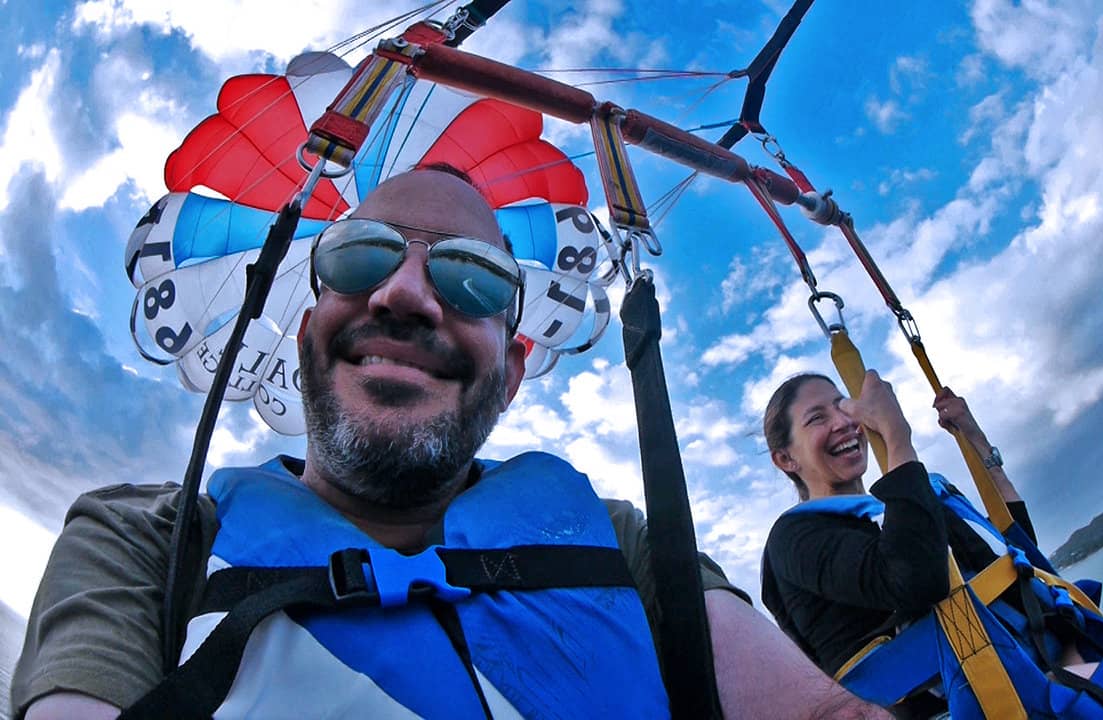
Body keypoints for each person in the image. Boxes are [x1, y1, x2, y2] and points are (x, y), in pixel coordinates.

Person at [10, 169, 891, 720]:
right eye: (360, 255)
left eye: (469, 276)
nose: (406, 295)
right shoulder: (146, 542)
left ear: (510, 373)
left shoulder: (620, 540)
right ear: (310, 322)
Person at [760, 371, 1103, 719]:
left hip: (1038, 641)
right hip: (992, 692)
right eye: (817, 418)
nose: (844, 421)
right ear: (787, 459)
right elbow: (912, 580)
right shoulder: (797, 539)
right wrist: (897, 438)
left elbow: (1016, 549)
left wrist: (973, 437)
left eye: (842, 406)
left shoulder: (902, 505)